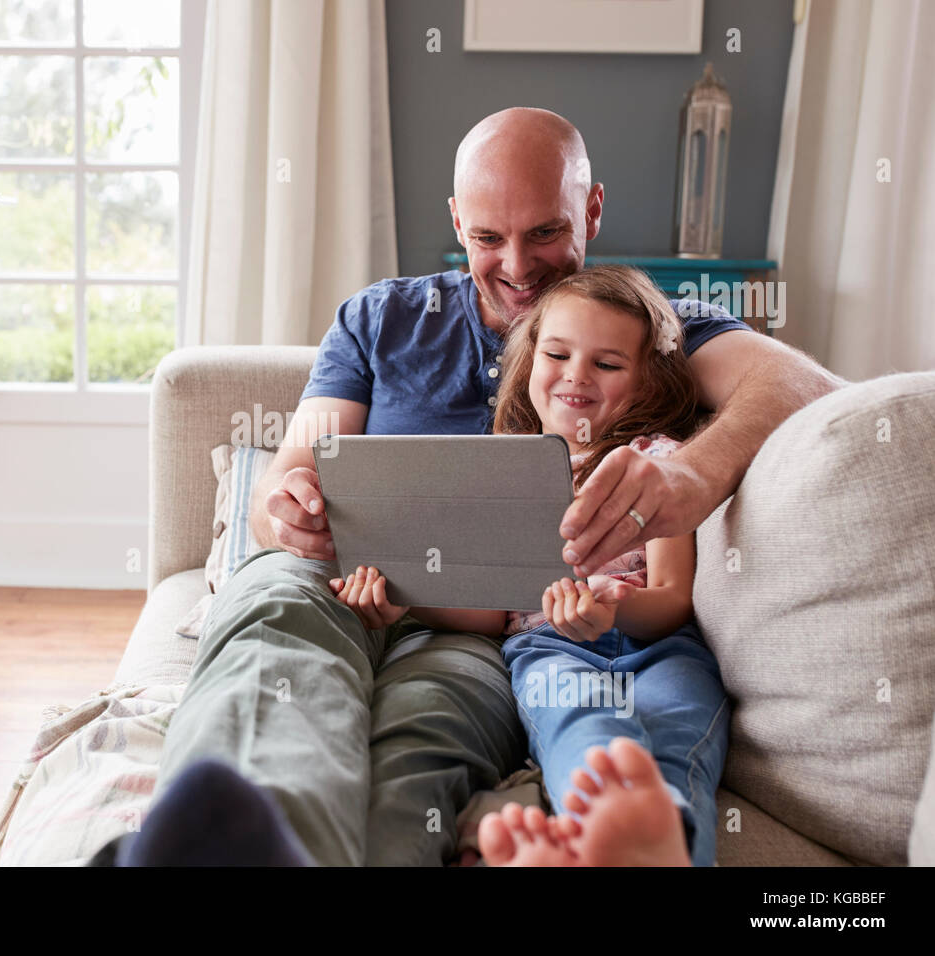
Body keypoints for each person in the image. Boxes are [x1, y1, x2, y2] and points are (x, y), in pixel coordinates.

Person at [145, 107, 842, 867]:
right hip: (343, 576)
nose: (516, 264)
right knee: (277, 612)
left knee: (421, 739)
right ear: (456, 221)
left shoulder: (649, 325)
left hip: (478, 630)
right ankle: (221, 844)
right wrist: (285, 516)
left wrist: (689, 476)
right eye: (486, 238)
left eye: (546, 232)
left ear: (593, 210)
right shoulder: (382, 319)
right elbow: (289, 474)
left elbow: (811, 389)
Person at [331, 265, 727, 865]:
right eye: (558, 354)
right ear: (530, 360)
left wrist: (614, 605)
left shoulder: (657, 461)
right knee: (578, 719)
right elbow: (491, 613)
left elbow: (673, 597)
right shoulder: (504, 470)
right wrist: (403, 596)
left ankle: (656, 840)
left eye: (608, 364)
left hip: (663, 649)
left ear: (648, 383)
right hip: (550, 649)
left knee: (677, 731)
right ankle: (602, 826)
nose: (576, 376)